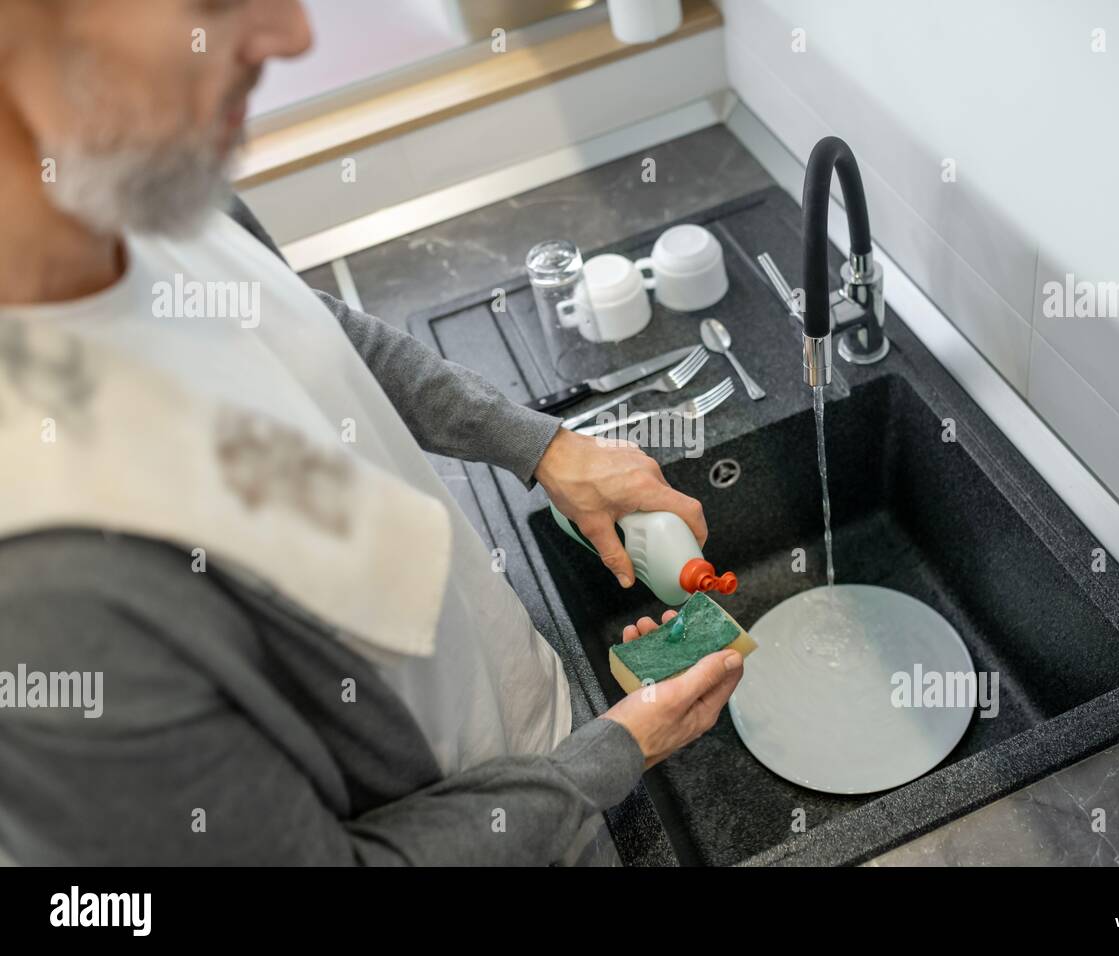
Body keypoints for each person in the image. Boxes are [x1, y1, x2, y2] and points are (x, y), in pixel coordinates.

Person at [0, 0, 744, 865]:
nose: (294, 37)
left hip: (544, 754)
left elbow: (303, 329)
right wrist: (608, 760)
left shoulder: (135, 175)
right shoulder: (42, 601)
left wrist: (542, 445)